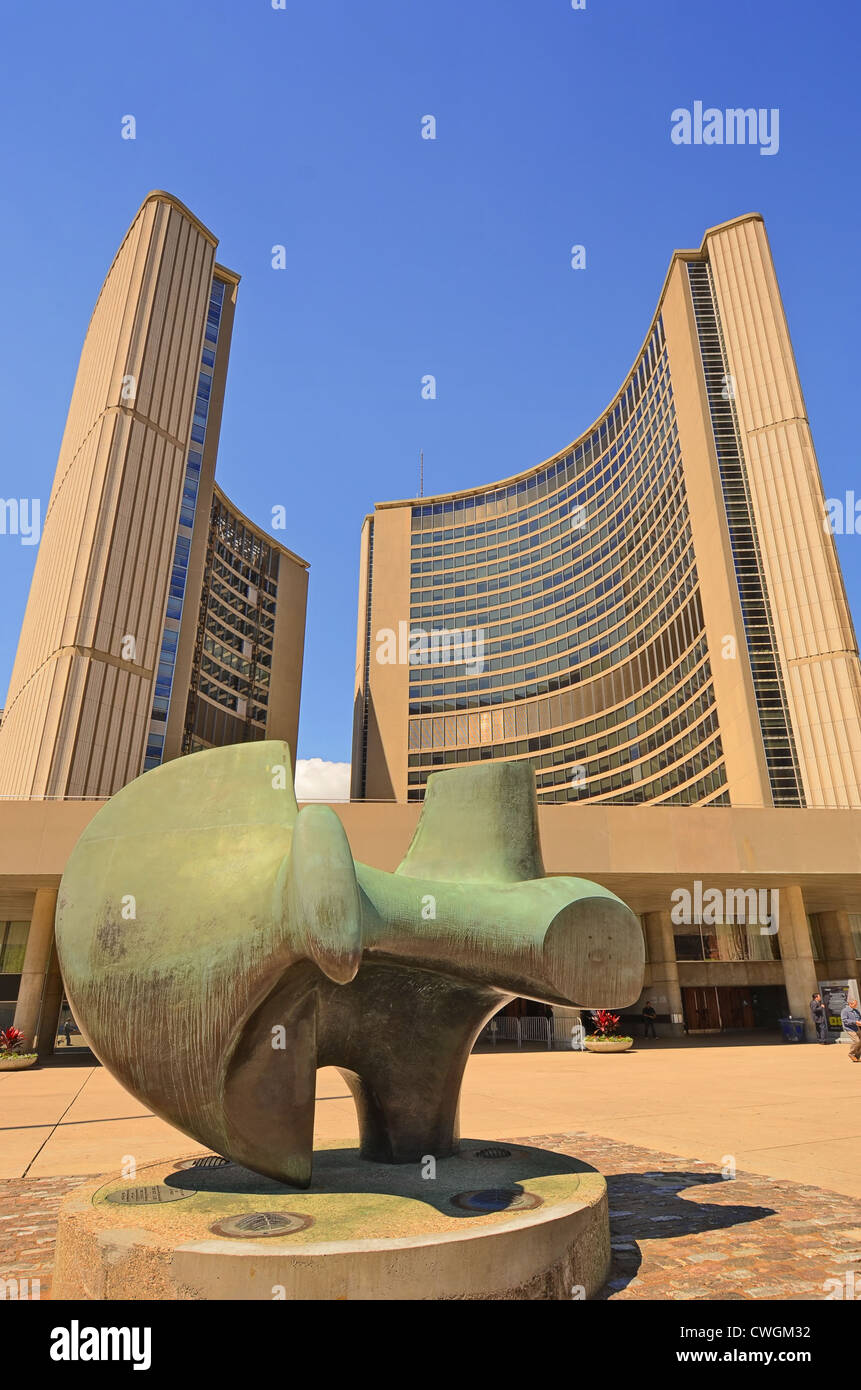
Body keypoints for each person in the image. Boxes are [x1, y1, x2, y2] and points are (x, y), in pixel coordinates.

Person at [840, 997, 861, 1062]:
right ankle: (851, 1053)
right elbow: (844, 1020)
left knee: (860, 1042)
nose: (856, 1005)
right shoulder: (845, 1011)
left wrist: (859, 1022)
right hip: (850, 1029)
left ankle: (856, 1057)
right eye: (855, 1004)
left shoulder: (856, 1011)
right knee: (857, 1041)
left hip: (857, 1028)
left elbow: (859, 1018)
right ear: (850, 1004)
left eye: (856, 1004)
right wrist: (855, 1022)